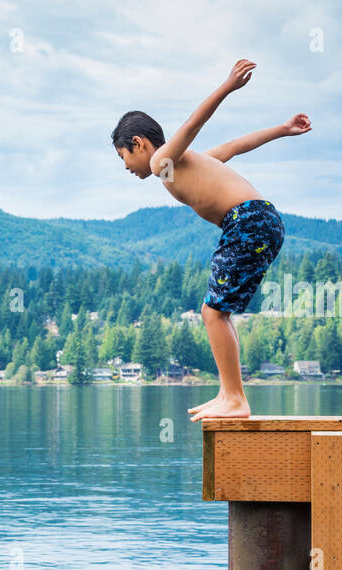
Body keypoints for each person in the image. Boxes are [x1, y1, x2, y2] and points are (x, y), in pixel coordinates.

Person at [111, 59, 311, 420]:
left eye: (123, 157)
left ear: (138, 143)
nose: (126, 167)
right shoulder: (183, 164)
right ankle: (228, 394)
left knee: (212, 312)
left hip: (247, 221)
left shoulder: (161, 161)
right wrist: (282, 129)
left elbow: (192, 123)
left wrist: (227, 86)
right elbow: (235, 145)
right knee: (218, 312)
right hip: (260, 221)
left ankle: (235, 398)